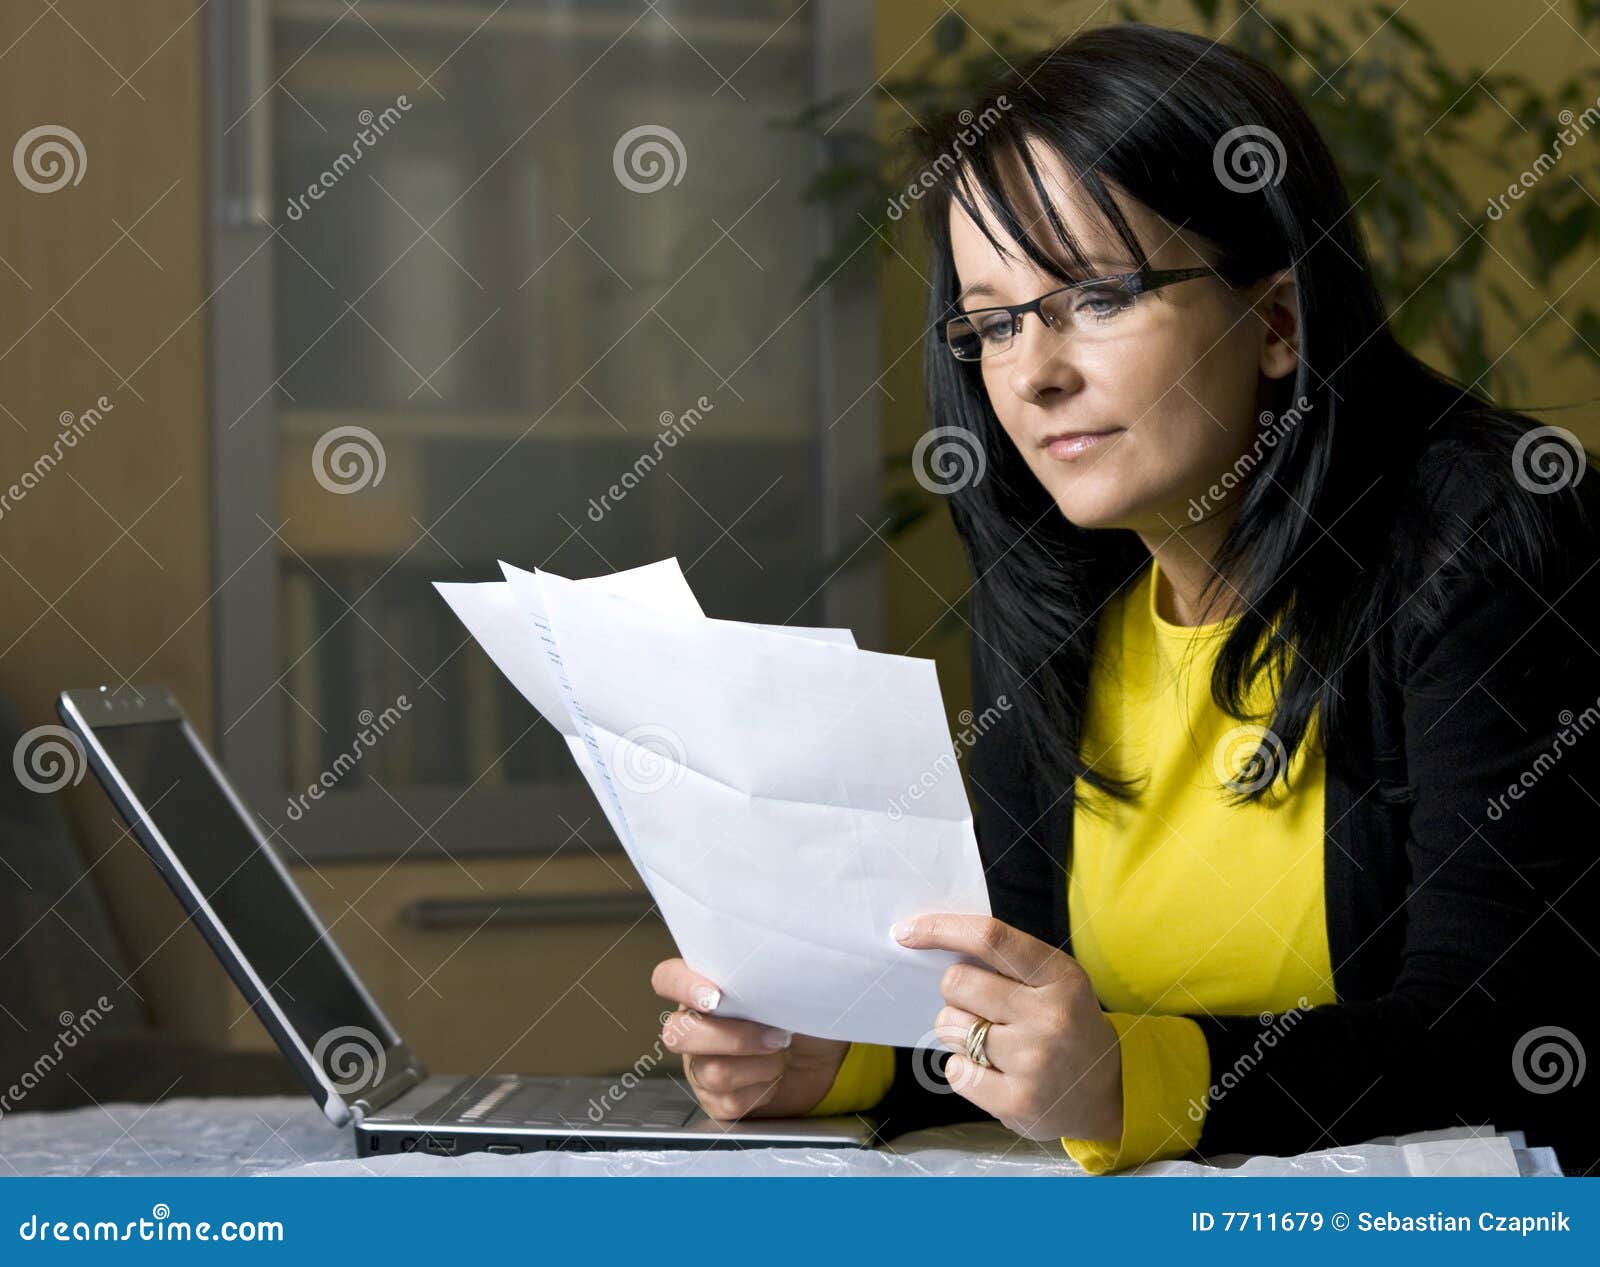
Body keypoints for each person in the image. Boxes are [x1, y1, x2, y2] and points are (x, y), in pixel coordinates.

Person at [651, 20, 1600, 1174]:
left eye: (1097, 297)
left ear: (1278, 322)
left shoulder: (1487, 537)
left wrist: (1129, 1080)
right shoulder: (1068, 589)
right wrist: (833, 1057)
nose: (1035, 371)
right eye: (995, 321)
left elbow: (1508, 1037)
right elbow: (1019, 1001)